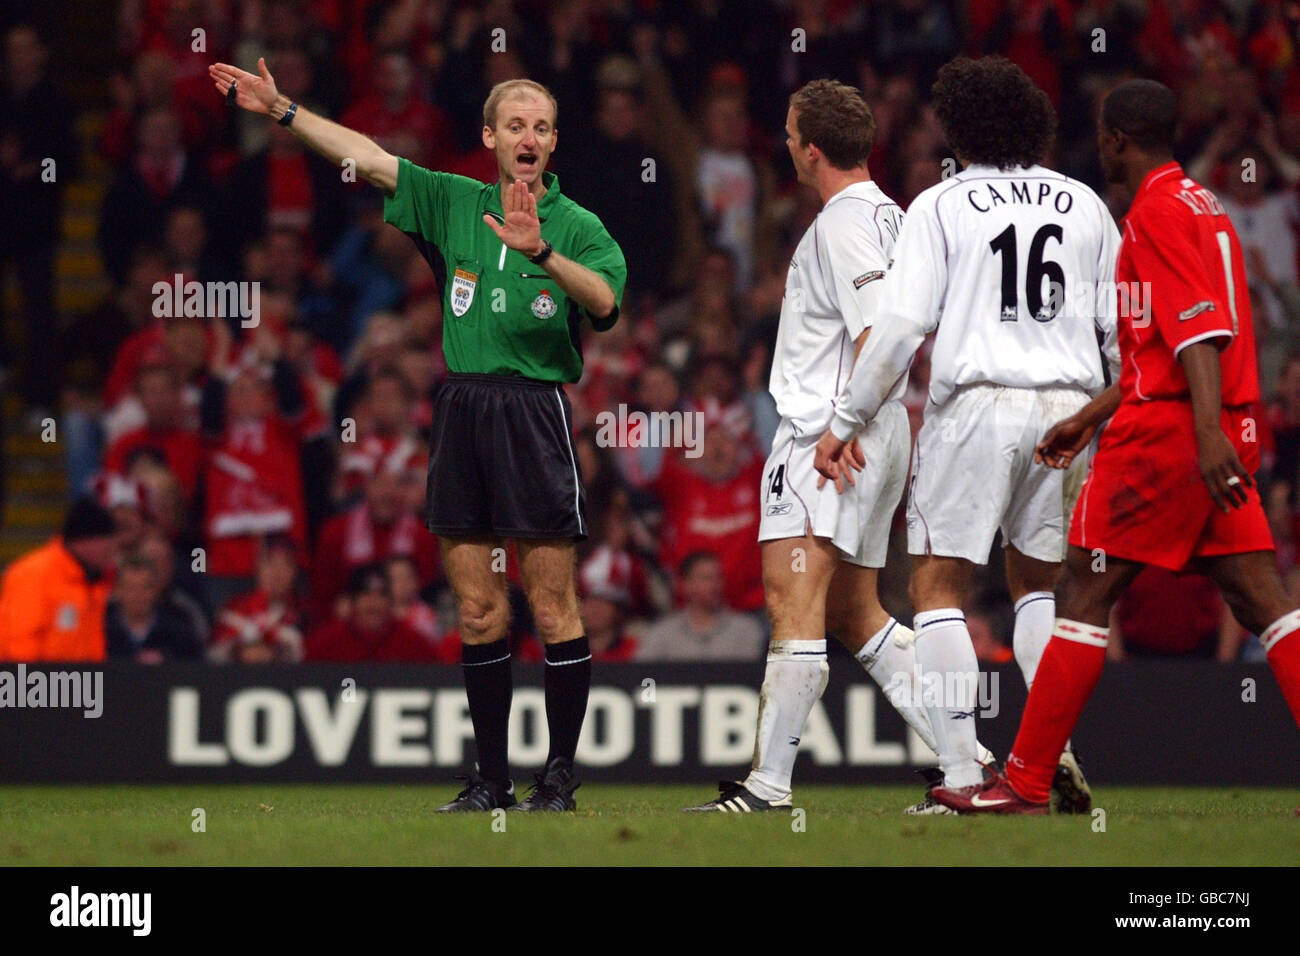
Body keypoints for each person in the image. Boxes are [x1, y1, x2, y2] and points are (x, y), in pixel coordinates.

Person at [210, 59, 626, 812]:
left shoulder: (580, 226)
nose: (527, 138)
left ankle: (559, 778)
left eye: (540, 127)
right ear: (491, 137)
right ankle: (491, 780)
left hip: (535, 410)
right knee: (476, 608)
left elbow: (604, 304)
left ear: (553, 143)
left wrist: (541, 253)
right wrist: (282, 110)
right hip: (462, 409)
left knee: (553, 606)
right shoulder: (450, 201)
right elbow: (365, 157)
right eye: (515, 126)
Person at [936, 79, 1300, 815]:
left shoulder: (1154, 211)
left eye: (1103, 134)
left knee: (1081, 590)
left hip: (1174, 434)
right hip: (1220, 423)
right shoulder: (1206, 204)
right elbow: (1171, 340)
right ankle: (1030, 776)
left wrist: (1196, 433)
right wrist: (1097, 413)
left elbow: (1197, 328)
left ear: (1117, 140)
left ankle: (1027, 779)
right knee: (1268, 602)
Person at [815, 57, 1121, 813]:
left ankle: (958, 774)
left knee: (937, 588)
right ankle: (1054, 755)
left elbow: (900, 330)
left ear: (958, 126)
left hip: (979, 403)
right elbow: (1120, 335)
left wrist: (845, 420)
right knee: (1039, 589)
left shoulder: (942, 204)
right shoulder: (1085, 204)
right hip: (1069, 410)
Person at [683, 79, 991, 815]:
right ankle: (969, 764)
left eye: (790, 135)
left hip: (829, 435)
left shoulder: (841, 224)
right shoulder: (897, 217)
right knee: (858, 613)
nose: (785, 145)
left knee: (794, 603)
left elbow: (883, 333)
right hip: (880, 432)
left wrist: (842, 425)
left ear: (812, 148)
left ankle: (767, 788)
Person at [0, 496, 119, 661]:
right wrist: (29, 683)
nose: (111, 554)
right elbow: (20, 640)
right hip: (39, 682)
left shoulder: (93, 580)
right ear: (85, 541)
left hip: (79, 682)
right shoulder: (34, 573)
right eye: (107, 546)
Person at [636, 551, 764, 662]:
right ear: (686, 585)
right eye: (706, 579)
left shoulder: (746, 631)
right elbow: (643, 678)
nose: (715, 585)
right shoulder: (662, 634)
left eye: (718, 577)